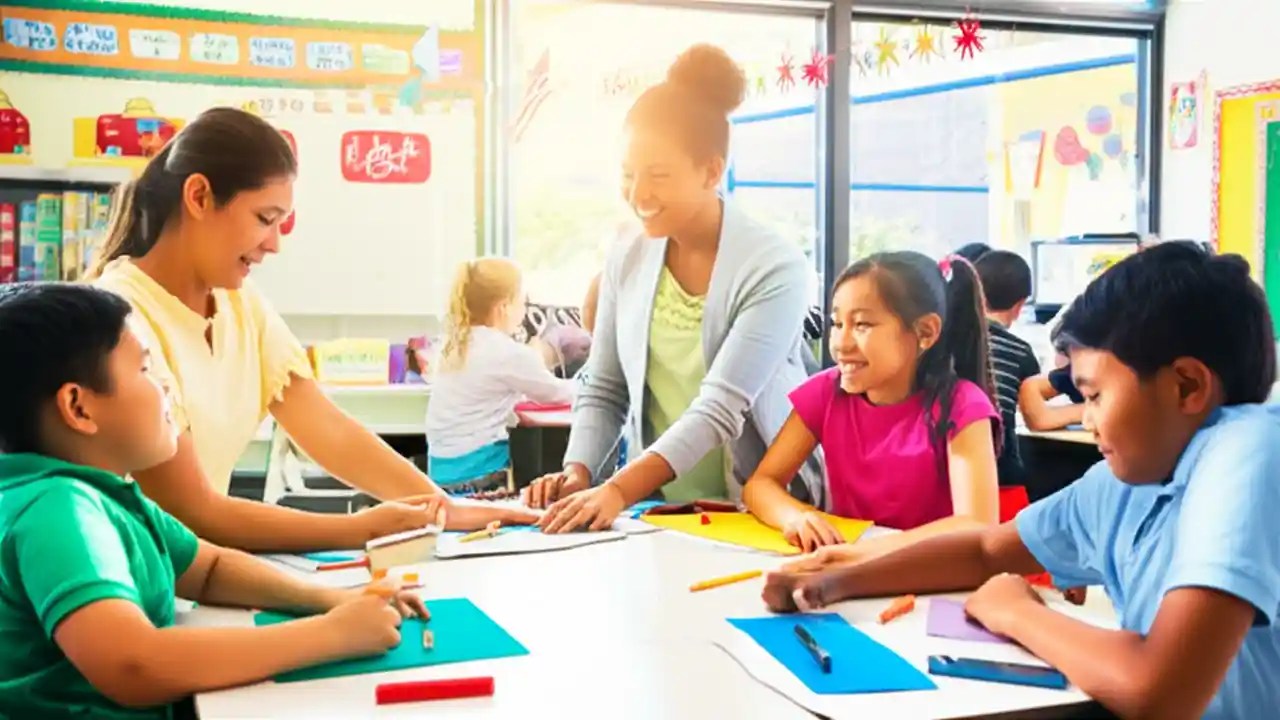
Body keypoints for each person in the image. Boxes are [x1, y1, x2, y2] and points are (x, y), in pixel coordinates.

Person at [762, 243, 1280, 720]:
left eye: (1095, 396)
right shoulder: (1123, 481)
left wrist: (1015, 612)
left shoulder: (1252, 448)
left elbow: (1158, 689)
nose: (1088, 421)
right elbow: (987, 551)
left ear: (1186, 385)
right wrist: (833, 581)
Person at [88, 107, 531, 552]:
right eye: (264, 219)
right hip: (130, 588)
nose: (274, 243)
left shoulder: (241, 304)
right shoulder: (121, 313)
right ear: (200, 196)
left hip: (191, 574)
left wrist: (440, 507)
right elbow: (193, 511)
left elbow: (327, 428)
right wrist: (367, 529)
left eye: (282, 223)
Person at [0, 283, 428, 720]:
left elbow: (208, 570)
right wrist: (333, 635)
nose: (166, 385)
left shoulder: (103, 495)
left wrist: (332, 601)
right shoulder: (58, 510)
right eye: (146, 369)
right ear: (79, 407)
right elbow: (133, 663)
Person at [527, 44, 824, 531]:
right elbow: (604, 387)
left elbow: (720, 409)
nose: (638, 193)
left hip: (764, 511)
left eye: (658, 175)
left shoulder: (776, 266)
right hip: (662, 508)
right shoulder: (629, 251)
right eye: (628, 175)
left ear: (711, 170)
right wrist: (577, 473)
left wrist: (618, 489)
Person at [742, 252, 1001, 556]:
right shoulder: (826, 392)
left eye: (862, 324)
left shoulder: (962, 405)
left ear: (925, 332)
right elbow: (761, 484)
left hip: (928, 574)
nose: (841, 343)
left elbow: (977, 523)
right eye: (837, 323)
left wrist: (866, 553)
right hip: (847, 569)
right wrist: (795, 517)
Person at [426, 257, 576, 494]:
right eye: (522, 301)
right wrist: (594, 383)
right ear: (503, 307)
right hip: (480, 475)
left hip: (439, 475)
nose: (525, 310)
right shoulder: (505, 352)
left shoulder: (454, 344)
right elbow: (557, 394)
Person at [972, 249, 1042, 487]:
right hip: (1001, 476)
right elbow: (1036, 417)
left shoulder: (943, 343)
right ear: (1020, 305)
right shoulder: (1020, 351)